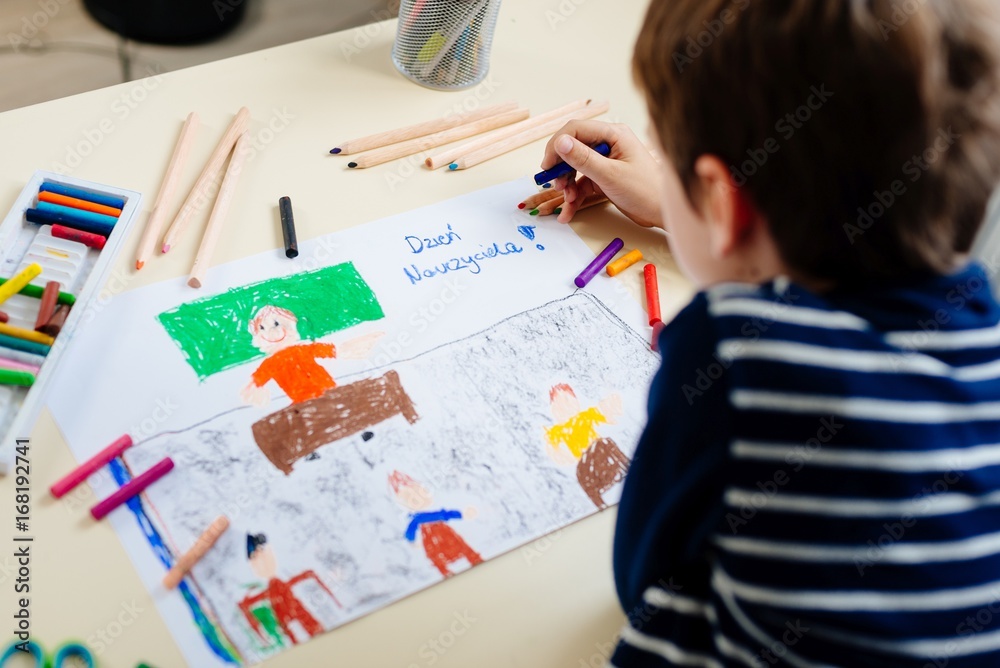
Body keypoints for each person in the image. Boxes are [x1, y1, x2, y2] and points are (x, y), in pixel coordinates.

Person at [537, 0, 1000, 665]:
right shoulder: (982, 326)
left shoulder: (737, 351)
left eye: (671, 165)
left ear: (723, 203)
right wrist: (686, 206)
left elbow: (642, 583)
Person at [240, 305, 382, 406]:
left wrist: (351, 347)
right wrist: (254, 390)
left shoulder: (302, 350)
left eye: (276, 324)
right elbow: (258, 379)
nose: (271, 331)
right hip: (303, 401)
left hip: (328, 390)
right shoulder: (271, 363)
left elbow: (328, 350)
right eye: (263, 328)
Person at [239, 533, 341, 647]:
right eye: (255, 557)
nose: (262, 560)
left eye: (263, 552)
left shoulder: (296, 575)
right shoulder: (259, 594)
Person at [544, 383, 629, 509]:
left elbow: (605, 412)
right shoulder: (557, 431)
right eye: (558, 404)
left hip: (602, 458)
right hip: (585, 465)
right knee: (603, 443)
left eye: (567, 400)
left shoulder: (584, 417)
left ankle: (627, 467)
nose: (564, 407)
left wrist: (612, 396)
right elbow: (555, 452)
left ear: (576, 401)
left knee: (604, 443)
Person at [389, 470, 483, 578]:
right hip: (430, 537)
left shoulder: (428, 514)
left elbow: (445, 514)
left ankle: (473, 558)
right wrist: (412, 541)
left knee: (458, 544)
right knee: (435, 555)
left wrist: (462, 514)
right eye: (409, 497)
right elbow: (411, 530)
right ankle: (446, 571)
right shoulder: (416, 519)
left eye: (419, 492)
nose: (417, 499)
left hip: (444, 533)